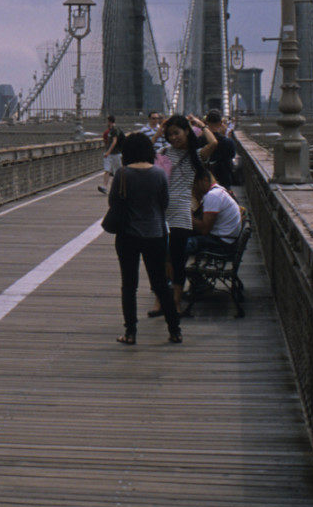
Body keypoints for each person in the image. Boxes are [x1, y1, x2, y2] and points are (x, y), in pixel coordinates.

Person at [104, 132, 182, 345]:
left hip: (127, 236)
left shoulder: (122, 173)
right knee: (160, 284)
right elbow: (164, 203)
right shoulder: (158, 174)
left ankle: (130, 333)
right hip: (155, 234)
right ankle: (175, 330)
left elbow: (113, 202)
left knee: (129, 286)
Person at [148, 113, 217, 318]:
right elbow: (144, 155)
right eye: (170, 135)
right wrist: (159, 131)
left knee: (177, 259)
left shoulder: (195, 155)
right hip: (161, 210)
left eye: (177, 133)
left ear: (187, 131)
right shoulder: (163, 152)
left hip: (182, 211)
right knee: (160, 259)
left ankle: (176, 303)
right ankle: (160, 299)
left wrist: (200, 124)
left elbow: (213, 143)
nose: (174, 138)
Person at [188, 170, 243, 260]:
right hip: (227, 240)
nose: (194, 190)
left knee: (182, 244)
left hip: (222, 244)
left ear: (204, 180)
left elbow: (204, 229)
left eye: (195, 185)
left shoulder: (213, 195)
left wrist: (187, 216)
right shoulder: (219, 190)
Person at [203, 110, 238, 193]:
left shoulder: (199, 140)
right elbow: (232, 155)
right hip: (224, 181)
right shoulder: (228, 142)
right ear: (221, 123)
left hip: (205, 182)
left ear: (206, 122)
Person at [98, 115, 121, 194]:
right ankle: (104, 187)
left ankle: (119, 188)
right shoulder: (110, 130)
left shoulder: (115, 129)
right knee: (107, 170)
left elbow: (114, 141)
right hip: (109, 154)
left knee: (117, 172)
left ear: (109, 121)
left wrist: (108, 152)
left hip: (115, 154)